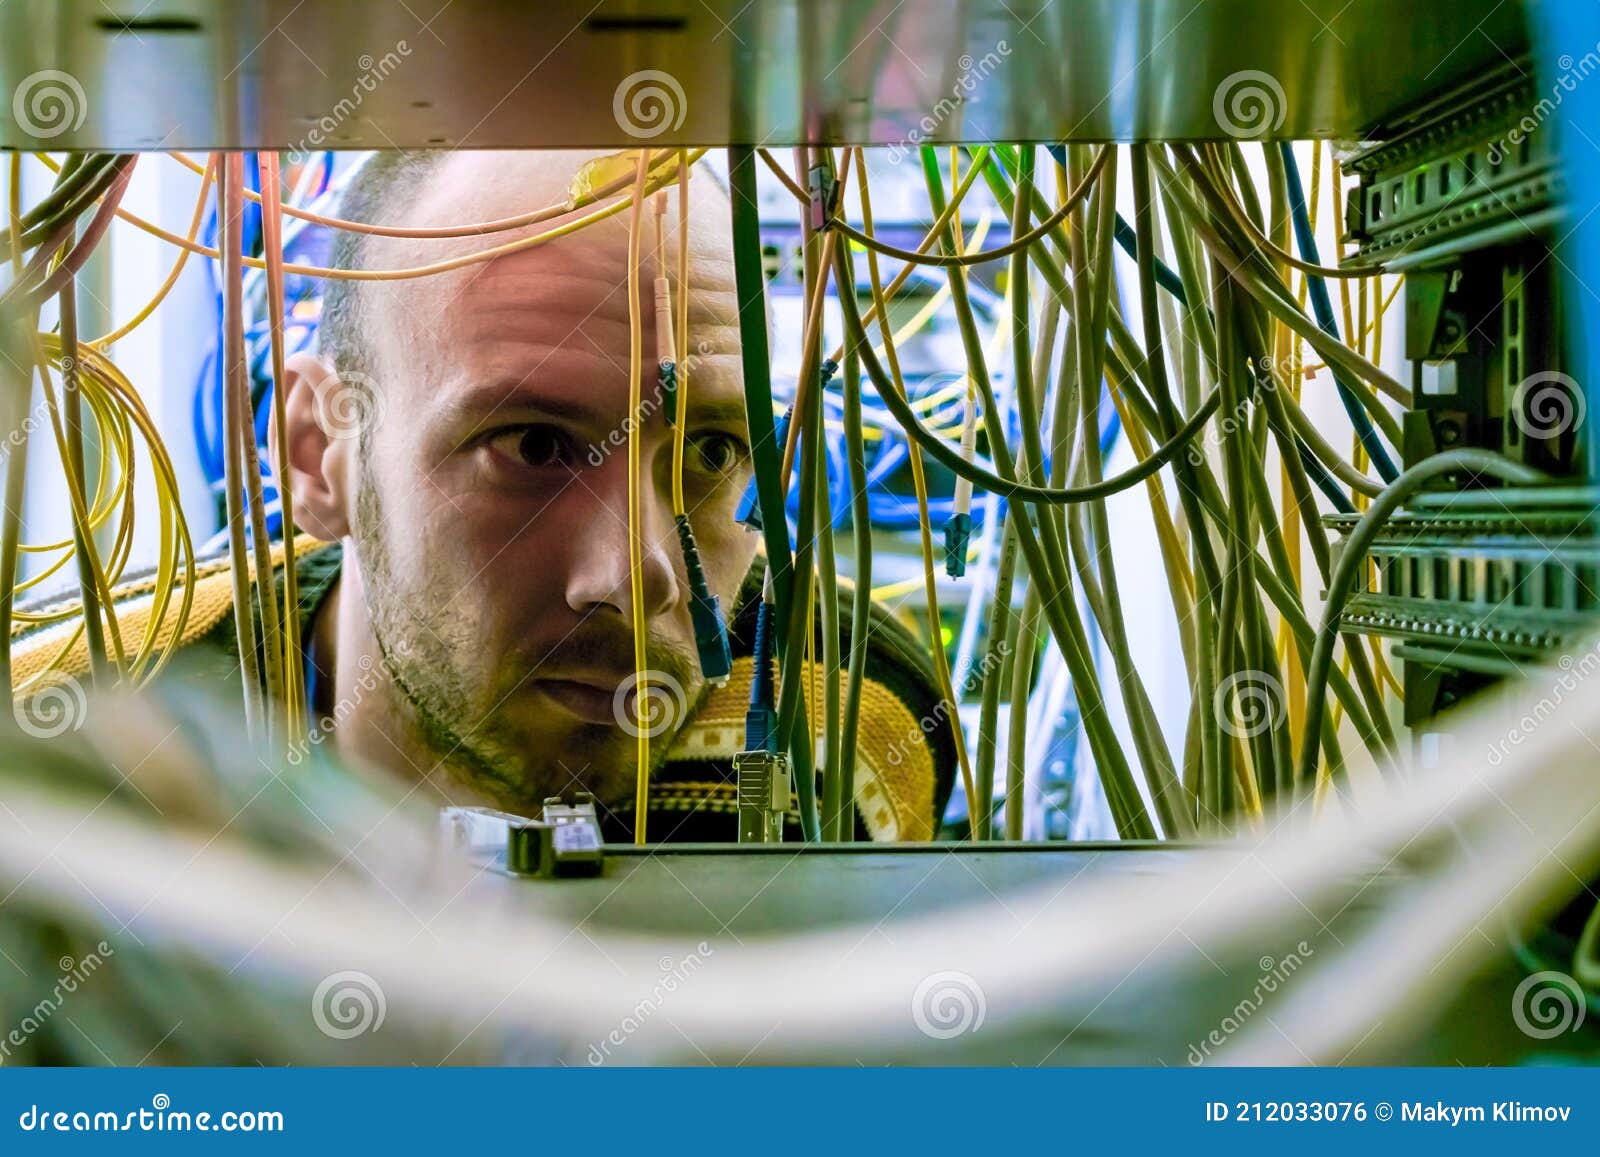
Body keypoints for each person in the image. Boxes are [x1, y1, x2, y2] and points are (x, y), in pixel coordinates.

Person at [11, 150, 956, 842]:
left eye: (712, 449)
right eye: (535, 445)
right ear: (317, 457)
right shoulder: (62, 733)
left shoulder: (833, 699)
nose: (632, 579)